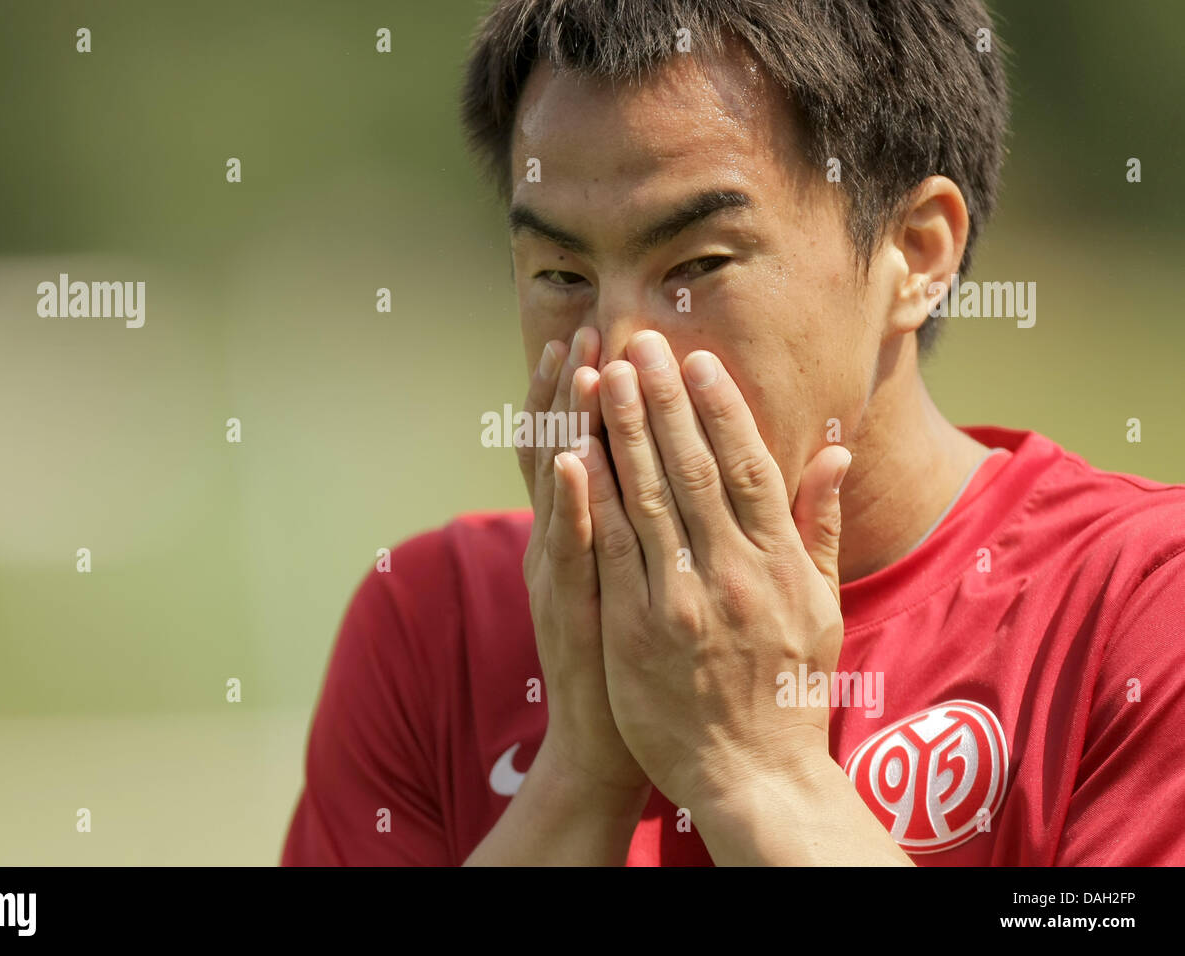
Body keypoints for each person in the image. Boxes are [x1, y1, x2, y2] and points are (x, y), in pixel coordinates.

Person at [282, 0, 1185, 865]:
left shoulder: (1141, 612)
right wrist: (580, 776)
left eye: (698, 265)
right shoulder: (433, 624)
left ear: (916, 254)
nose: (621, 359)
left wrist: (760, 771)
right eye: (561, 274)